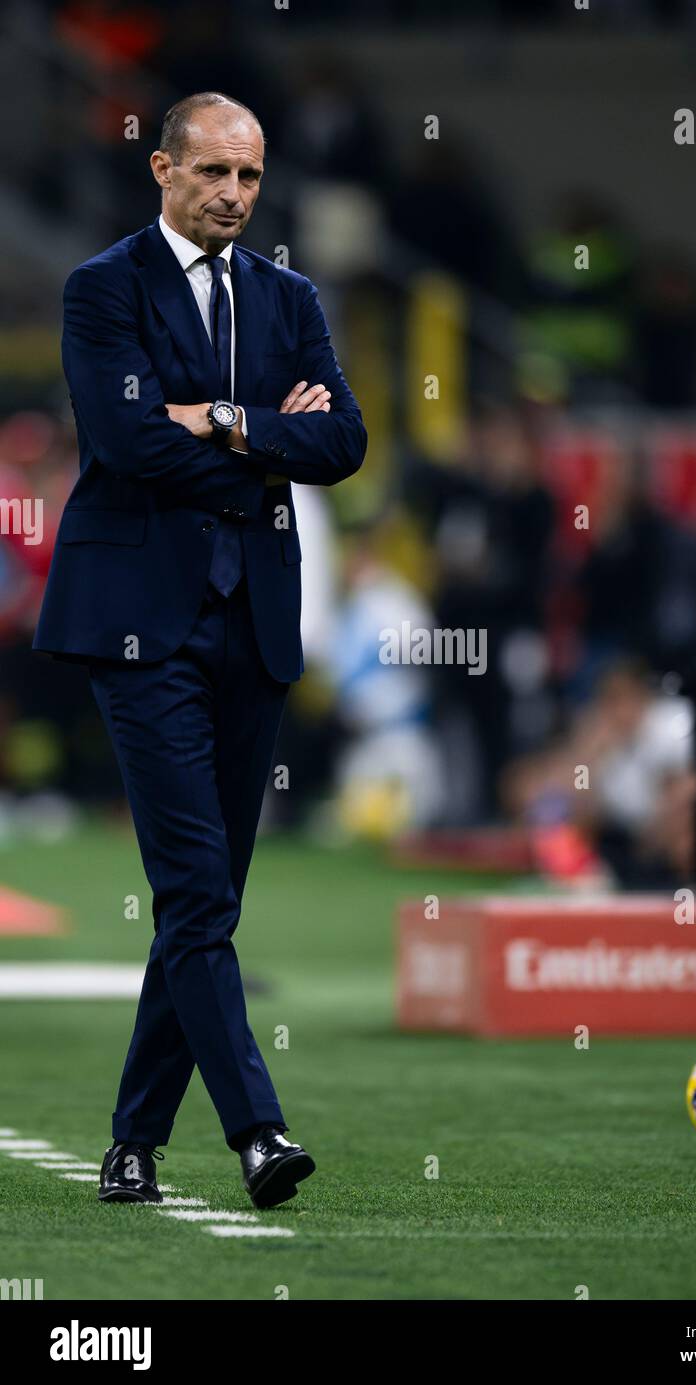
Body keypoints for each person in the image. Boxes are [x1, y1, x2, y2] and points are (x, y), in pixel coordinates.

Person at [32, 91, 366, 1209]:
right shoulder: (102, 286)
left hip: (254, 623)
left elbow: (344, 441)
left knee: (198, 904)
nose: (234, 194)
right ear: (163, 170)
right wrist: (271, 433)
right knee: (196, 891)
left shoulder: (289, 296)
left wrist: (217, 418)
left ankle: (132, 1142)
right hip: (140, 625)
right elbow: (126, 441)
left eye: (252, 177)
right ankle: (259, 1132)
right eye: (215, 172)